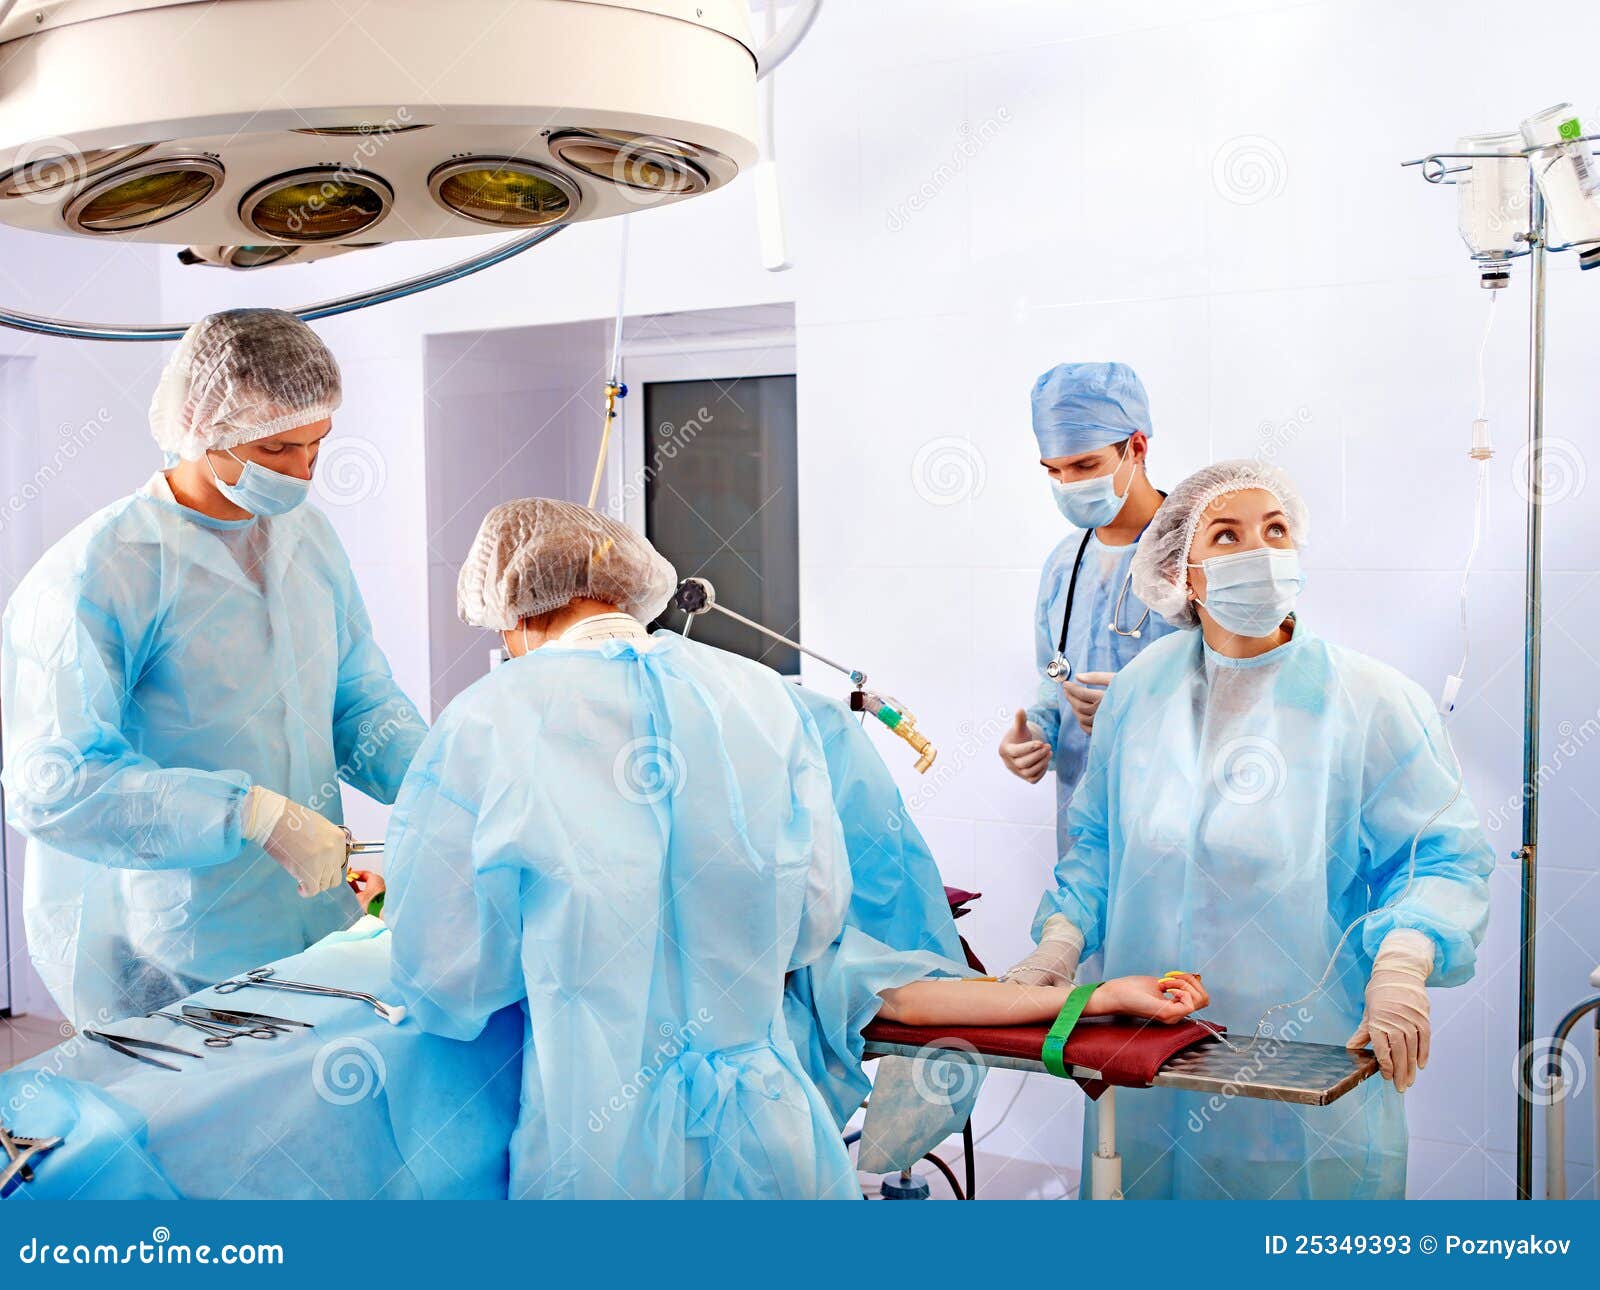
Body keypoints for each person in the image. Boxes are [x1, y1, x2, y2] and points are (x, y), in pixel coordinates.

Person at [383, 499, 1210, 1200]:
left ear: (517, 611)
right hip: (769, 1130)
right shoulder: (760, 698)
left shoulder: (491, 717)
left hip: (600, 1146)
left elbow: (450, 980)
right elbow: (816, 921)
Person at [1028, 459, 1493, 1199]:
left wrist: (1402, 966)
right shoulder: (1141, 692)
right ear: (1184, 572)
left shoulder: (1369, 700)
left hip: (1304, 1070)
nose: (1259, 551)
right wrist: (1058, 944)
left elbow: (1439, 859)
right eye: (1227, 533)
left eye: (1275, 530)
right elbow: (1098, 847)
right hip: (1154, 1064)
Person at [1, 308, 427, 1027]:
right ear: (200, 421)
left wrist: (443, 777)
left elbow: (358, 702)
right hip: (173, 948)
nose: (301, 472)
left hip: (312, 924)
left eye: (317, 447)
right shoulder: (104, 569)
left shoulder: (307, 537)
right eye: (277, 448)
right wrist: (245, 815)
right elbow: (56, 783)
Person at [999, 363, 1175, 985]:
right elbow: (1055, 672)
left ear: (1137, 447)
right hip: (1087, 835)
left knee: (1181, 1010)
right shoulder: (1062, 564)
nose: (1067, 484)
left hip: (1179, 828)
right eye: (1054, 471)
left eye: (1084, 466)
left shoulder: (1201, 551)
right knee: (1100, 1026)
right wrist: (1036, 736)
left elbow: (1250, 690)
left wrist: (1143, 710)